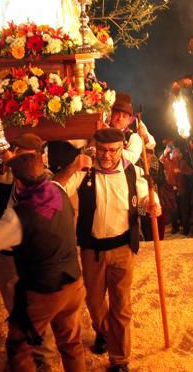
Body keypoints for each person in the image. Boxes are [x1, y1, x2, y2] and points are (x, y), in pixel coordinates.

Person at [57, 127, 160, 372]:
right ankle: (105, 331)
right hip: (92, 250)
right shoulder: (85, 170)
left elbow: (146, 199)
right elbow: (57, 190)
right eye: (102, 150)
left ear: (121, 149)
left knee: (121, 306)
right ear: (95, 148)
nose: (106, 155)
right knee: (93, 301)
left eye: (112, 151)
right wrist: (73, 166)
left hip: (123, 248)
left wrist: (152, 205)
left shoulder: (132, 172)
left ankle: (120, 359)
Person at [0, 153, 86, 372]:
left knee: (19, 347)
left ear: (18, 182)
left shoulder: (19, 215)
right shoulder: (58, 190)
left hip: (44, 291)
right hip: (73, 282)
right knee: (71, 343)